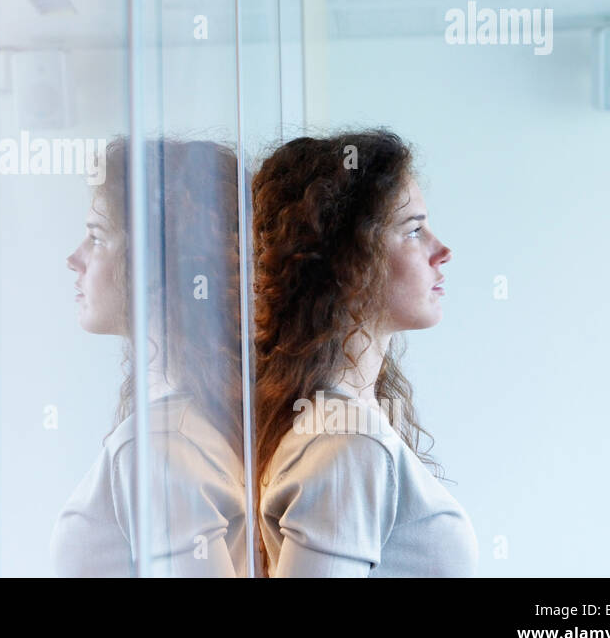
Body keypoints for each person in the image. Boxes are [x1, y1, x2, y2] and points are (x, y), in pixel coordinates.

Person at [250, 129, 477, 577]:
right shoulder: (345, 443)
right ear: (350, 262)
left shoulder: (346, 427)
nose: (443, 251)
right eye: (413, 230)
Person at [50, 137, 248, 577]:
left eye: (97, 237)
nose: (74, 259)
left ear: (157, 262)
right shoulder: (185, 425)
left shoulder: (160, 445)